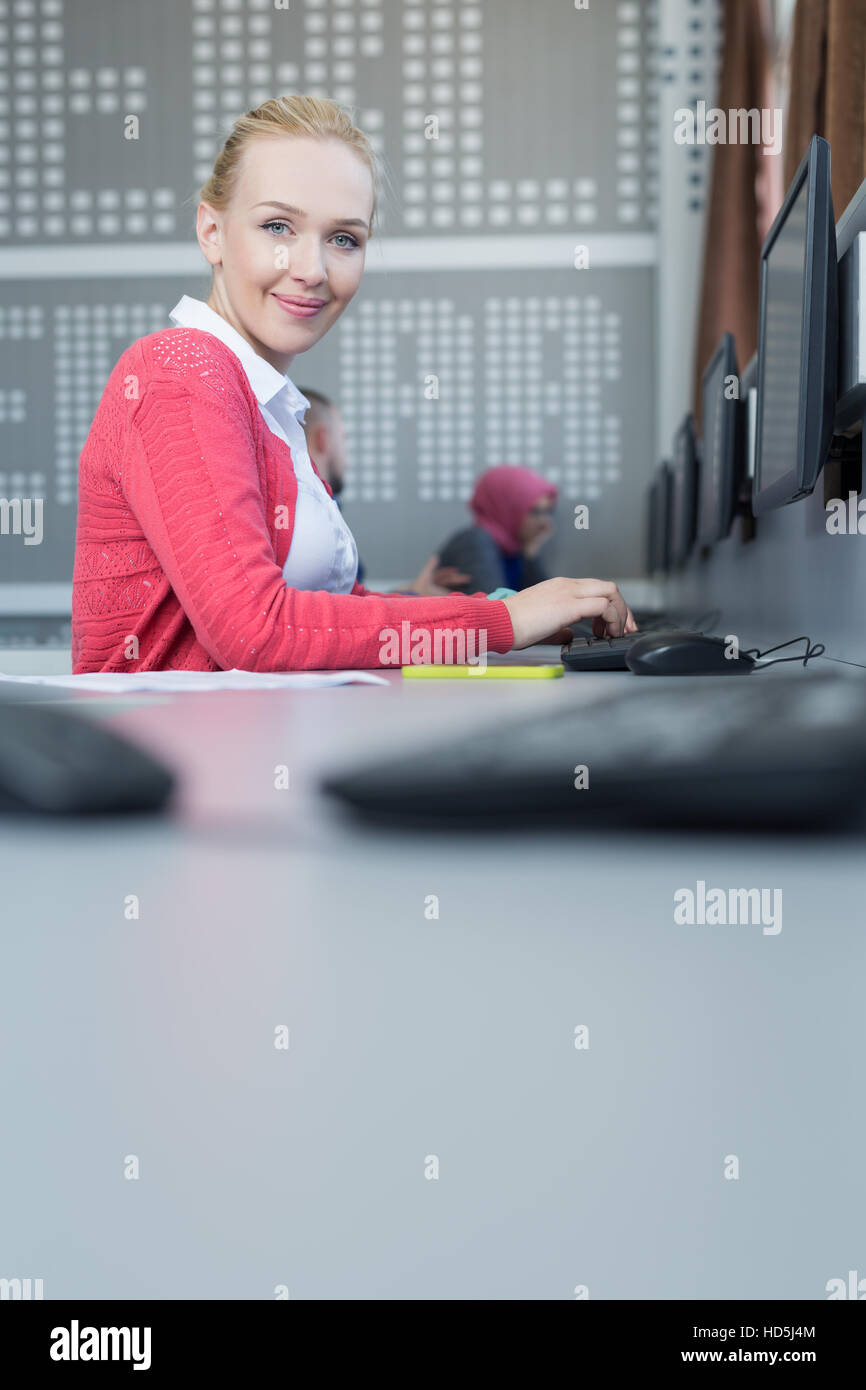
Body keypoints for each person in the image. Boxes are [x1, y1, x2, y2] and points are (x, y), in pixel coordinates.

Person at [71, 94, 635, 673]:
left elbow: (333, 614)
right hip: (175, 756)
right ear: (211, 231)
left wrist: (510, 612)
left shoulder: (269, 406)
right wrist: (497, 626)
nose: (312, 269)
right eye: (277, 226)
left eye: (344, 238)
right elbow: (255, 631)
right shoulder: (181, 370)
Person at [296, 385, 468, 595]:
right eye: (343, 437)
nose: (346, 453)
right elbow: (342, 613)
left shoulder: (310, 509)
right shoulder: (314, 520)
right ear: (324, 439)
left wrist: (410, 591)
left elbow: (346, 600)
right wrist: (412, 596)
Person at [435, 465, 558, 596]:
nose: (544, 522)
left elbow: (549, 602)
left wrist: (530, 553)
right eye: (535, 512)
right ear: (508, 508)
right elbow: (494, 608)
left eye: (548, 511)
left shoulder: (514, 549)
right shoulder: (476, 542)